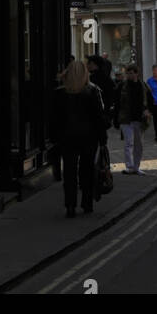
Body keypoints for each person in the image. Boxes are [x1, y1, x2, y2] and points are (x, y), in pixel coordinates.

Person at [49, 59, 105, 216]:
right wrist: (102, 139)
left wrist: (54, 138)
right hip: (89, 137)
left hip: (67, 138)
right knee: (87, 170)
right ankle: (87, 204)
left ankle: (70, 205)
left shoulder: (60, 93)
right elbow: (99, 117)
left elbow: (54, 119)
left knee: (69, 172)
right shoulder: (92, 91)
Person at [114, 64, 149, 175]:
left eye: (131, 73)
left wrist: (148, 110)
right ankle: (129, 166)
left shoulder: (143, 85)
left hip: (139, 118)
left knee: (139, 144)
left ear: (136, 73)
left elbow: (150, 99)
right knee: (129, 143)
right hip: (126, 118)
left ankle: (136, 167)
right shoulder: (121, 86)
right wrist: (116, 119)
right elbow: (117, 103)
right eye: (127, 73)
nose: (129, 75)